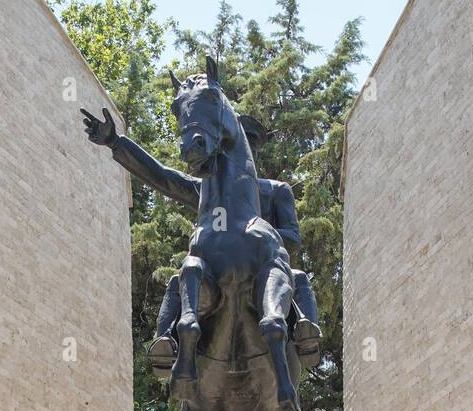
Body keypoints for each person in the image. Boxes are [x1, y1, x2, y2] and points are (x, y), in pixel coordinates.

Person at [81, 102, 321, 376]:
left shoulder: (277, 191)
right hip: (217, 272)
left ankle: (306, 336)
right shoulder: (208, 191)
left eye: (253, 144)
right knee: (179, 280)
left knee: (298, 278)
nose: (248, 150)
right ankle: (166, 341)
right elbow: (162, 176)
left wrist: (258, 235)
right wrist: (115, 142)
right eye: (245, 141)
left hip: (263, 271)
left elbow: (292, 239)